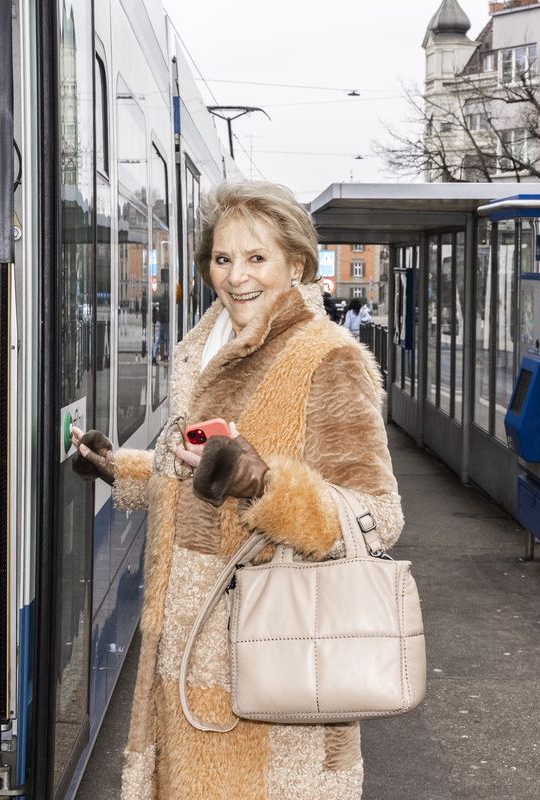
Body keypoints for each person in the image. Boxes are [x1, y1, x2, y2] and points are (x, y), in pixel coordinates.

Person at [71, 180, 402, 799]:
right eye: (223, 258)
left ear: (296, 264)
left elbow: (376, 516)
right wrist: (118, 467)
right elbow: (193, 475)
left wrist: (264, 485)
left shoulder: (327, 358)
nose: (236, 276)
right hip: (188, 655)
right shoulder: (206, 348)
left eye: (256, 257)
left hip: (270, 671)